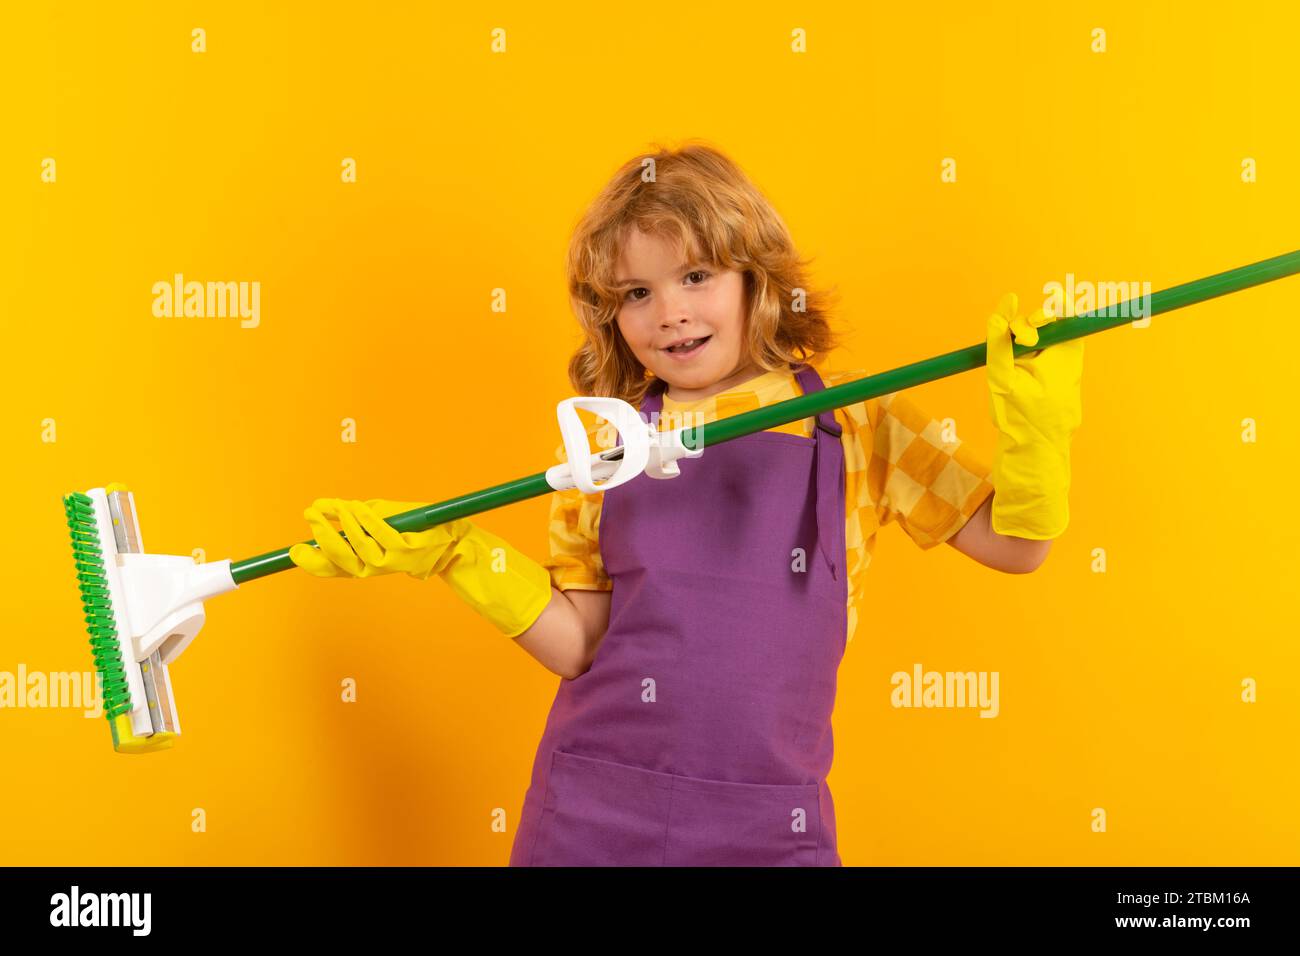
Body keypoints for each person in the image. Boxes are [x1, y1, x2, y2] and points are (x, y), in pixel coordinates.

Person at [289, 141, 1085, 866]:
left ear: (757, 280)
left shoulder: (856, 419)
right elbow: (577, 643)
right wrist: (455, 551)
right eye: (637, 292)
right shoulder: (605, 445)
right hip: (593, 813)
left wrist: (1037, 436)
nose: (669, 311)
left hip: (772, 826)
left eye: (696, 277)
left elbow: (1016, 547)